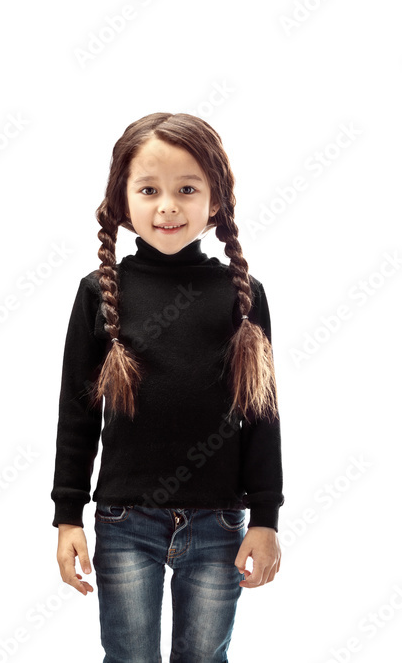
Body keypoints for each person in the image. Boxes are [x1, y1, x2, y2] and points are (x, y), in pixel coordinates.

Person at [52, 113, 282, 662]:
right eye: (149, 189)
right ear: (121, 200)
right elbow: (77, 413)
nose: (168, 206)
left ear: (216, 200)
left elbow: (263, 416)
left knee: (204, 656)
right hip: (124, 521)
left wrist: (267, 519)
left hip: (220, 520)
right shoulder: (99, 295)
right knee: (129, 656)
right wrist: (67, 517)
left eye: (187, 189)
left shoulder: (242, 295)